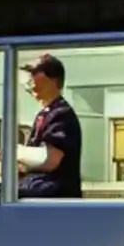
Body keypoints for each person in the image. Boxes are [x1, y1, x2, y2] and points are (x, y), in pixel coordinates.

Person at [18, 54, 82, 198]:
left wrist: (15, 153)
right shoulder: (45, 114)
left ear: (53, 79)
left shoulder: (61, 113)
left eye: (34, 73)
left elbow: (50, 160)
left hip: (54, 201)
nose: (29, 80)